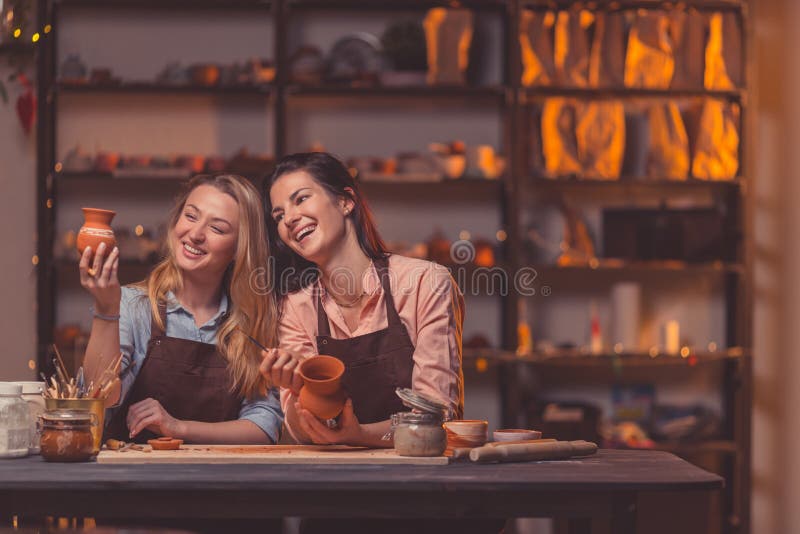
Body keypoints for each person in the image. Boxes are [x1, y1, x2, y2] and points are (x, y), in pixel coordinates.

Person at [261, 151, 464, 446]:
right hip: (335, 480)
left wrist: (360, 436)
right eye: (278, 216)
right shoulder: (296, 306)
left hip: (420, 476)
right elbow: (303, 432)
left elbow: (437, 414)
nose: (289, 218)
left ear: (345, 201)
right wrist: (299, 387)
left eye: (301, 199)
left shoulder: (425, 283)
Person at [81, 173, 283, 445]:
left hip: (222, 481)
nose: (196, 234)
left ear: (239, 248)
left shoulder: (252, 321)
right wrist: (106, 308)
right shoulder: (133, 305)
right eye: (191, 216)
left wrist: (179, 428)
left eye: (217, 228)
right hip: (133, 480)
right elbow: (97, 397)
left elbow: (264, 426)